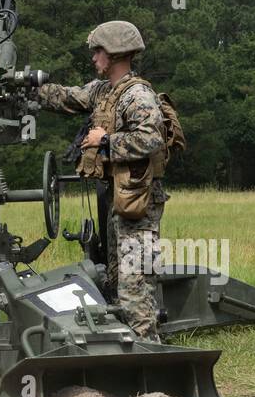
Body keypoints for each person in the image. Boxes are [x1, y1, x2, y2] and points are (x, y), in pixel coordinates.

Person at [36, 20, 170, 341]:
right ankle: (130, 345)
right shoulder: (103, 91)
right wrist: (28, 87)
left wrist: (106, 141)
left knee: (134, 283)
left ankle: (149, 352)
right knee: (115, 278)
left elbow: (152, 138)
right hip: (115, 198)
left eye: (98, 51)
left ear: (114, 53)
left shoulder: (136, 94)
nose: (94, 57)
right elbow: (68, 98)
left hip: (137, 201)